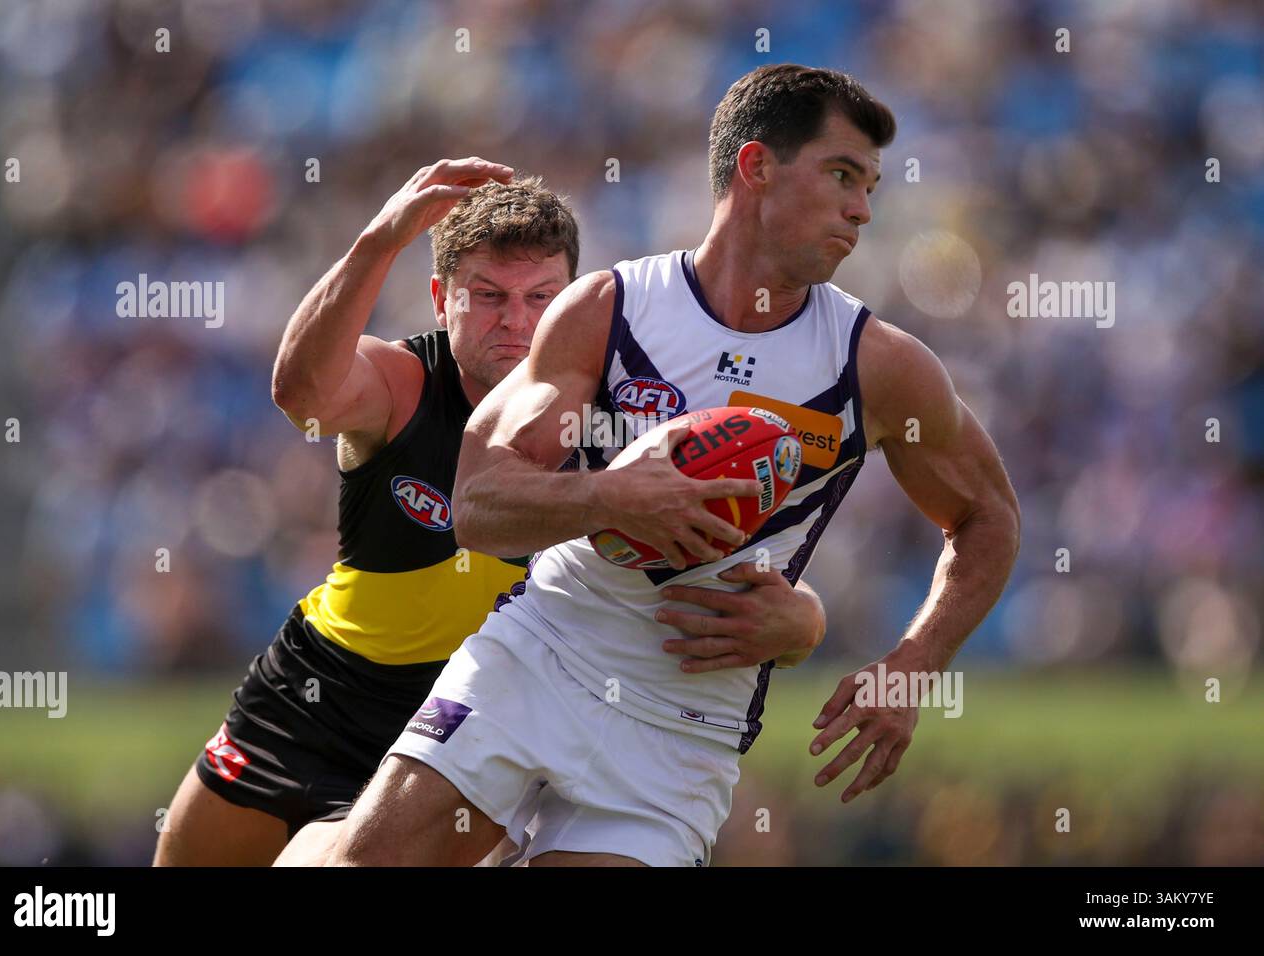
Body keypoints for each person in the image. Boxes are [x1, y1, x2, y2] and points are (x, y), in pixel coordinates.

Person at [328, 64, 1021, 868]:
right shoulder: (610, 310)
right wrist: (615, 497)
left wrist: (912, 666)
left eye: (869, 186)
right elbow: (480, 502)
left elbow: (989, 517)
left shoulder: (877, 365)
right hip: (542, 657)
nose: (862, 210)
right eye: (841, 176)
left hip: (683, 725)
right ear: (756, 167)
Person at [155, 159, 827, 866]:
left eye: (541, 296)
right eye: (488, 296)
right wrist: (380, 241)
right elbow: (302, 394)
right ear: (441, 296)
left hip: (477, 721)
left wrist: (805, 619)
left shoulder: (622, 420)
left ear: (573, 299)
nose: (517, 321)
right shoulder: (407, 384)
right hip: (320, 693)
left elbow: (727, 543)